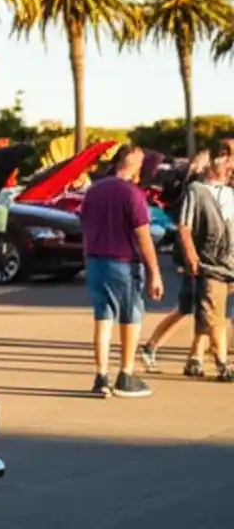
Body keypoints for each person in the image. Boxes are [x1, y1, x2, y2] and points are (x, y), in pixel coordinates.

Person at [81, 145, 164, 398]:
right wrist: (155, 272)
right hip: (123, 262)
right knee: (130, 317)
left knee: (103, 318)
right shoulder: (132, 194)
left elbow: (84, 224)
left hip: (96, 261)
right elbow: (143, 236)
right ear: (133, 165)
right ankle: (125, 375)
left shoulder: (94, 191)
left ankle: (101, 376)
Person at [141, 149, 211, 374]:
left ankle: (198, 354)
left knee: (208, 308)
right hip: (198, 258)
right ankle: (152, 346)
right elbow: (185, 228)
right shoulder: (196, 189)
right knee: (189, 306)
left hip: (215, 257)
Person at [168, 152, 234, 381]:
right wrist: (191, 256)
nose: (231, 167)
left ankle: (195, 358)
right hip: (210, 264)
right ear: (215, 166)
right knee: (213, 315)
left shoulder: (228, 193)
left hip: (229, 265)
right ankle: (223, 363)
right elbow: (184, 227)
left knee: (211, 313)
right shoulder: (196, 191)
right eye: (228, 163)